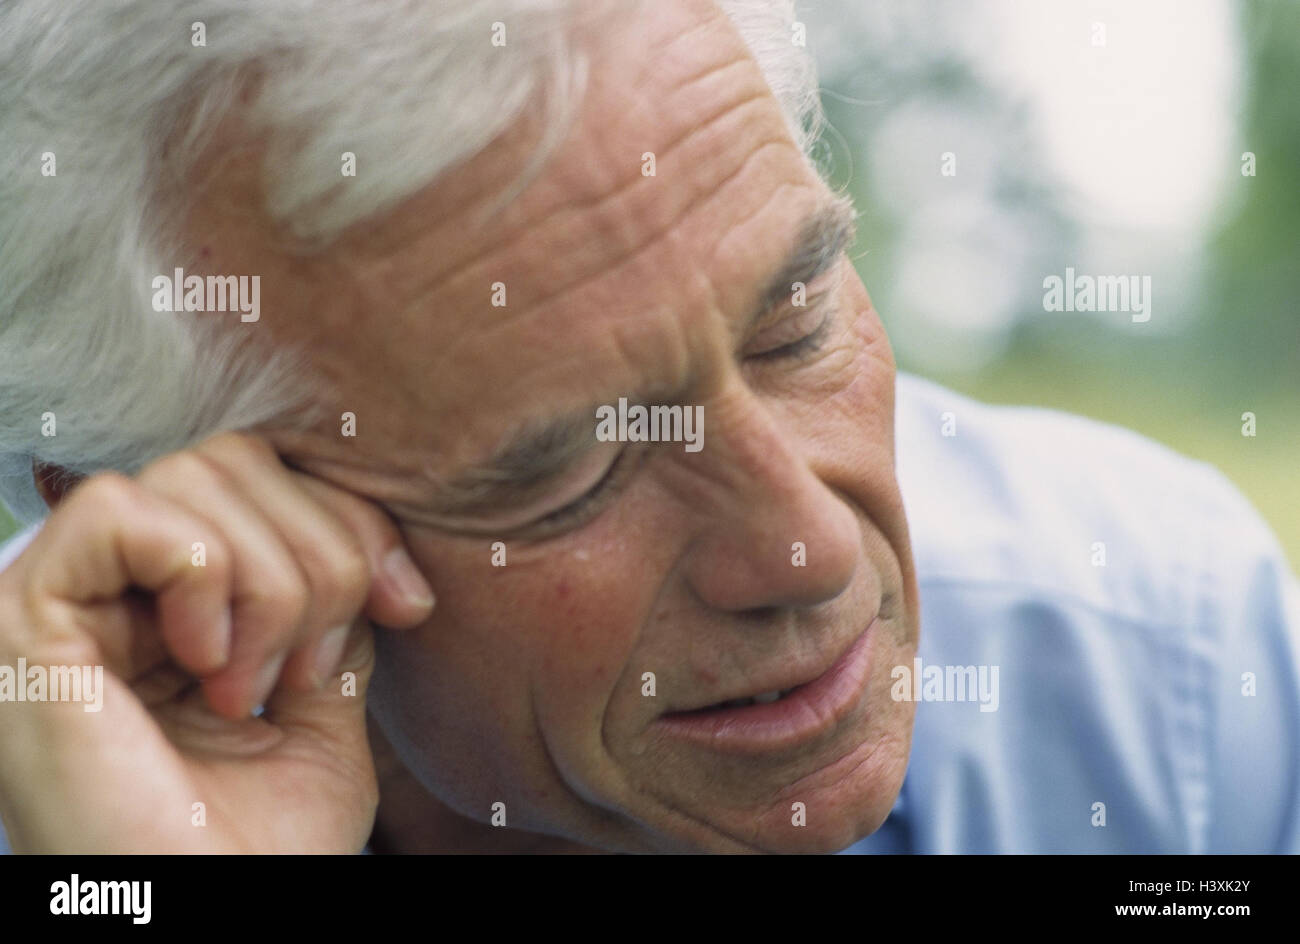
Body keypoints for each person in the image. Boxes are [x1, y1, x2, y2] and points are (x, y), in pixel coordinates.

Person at [0, 0, 1296, 854]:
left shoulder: (1171, 686)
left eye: (794, 325)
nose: (808, 553)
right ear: (162, 527)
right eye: (565, 470)